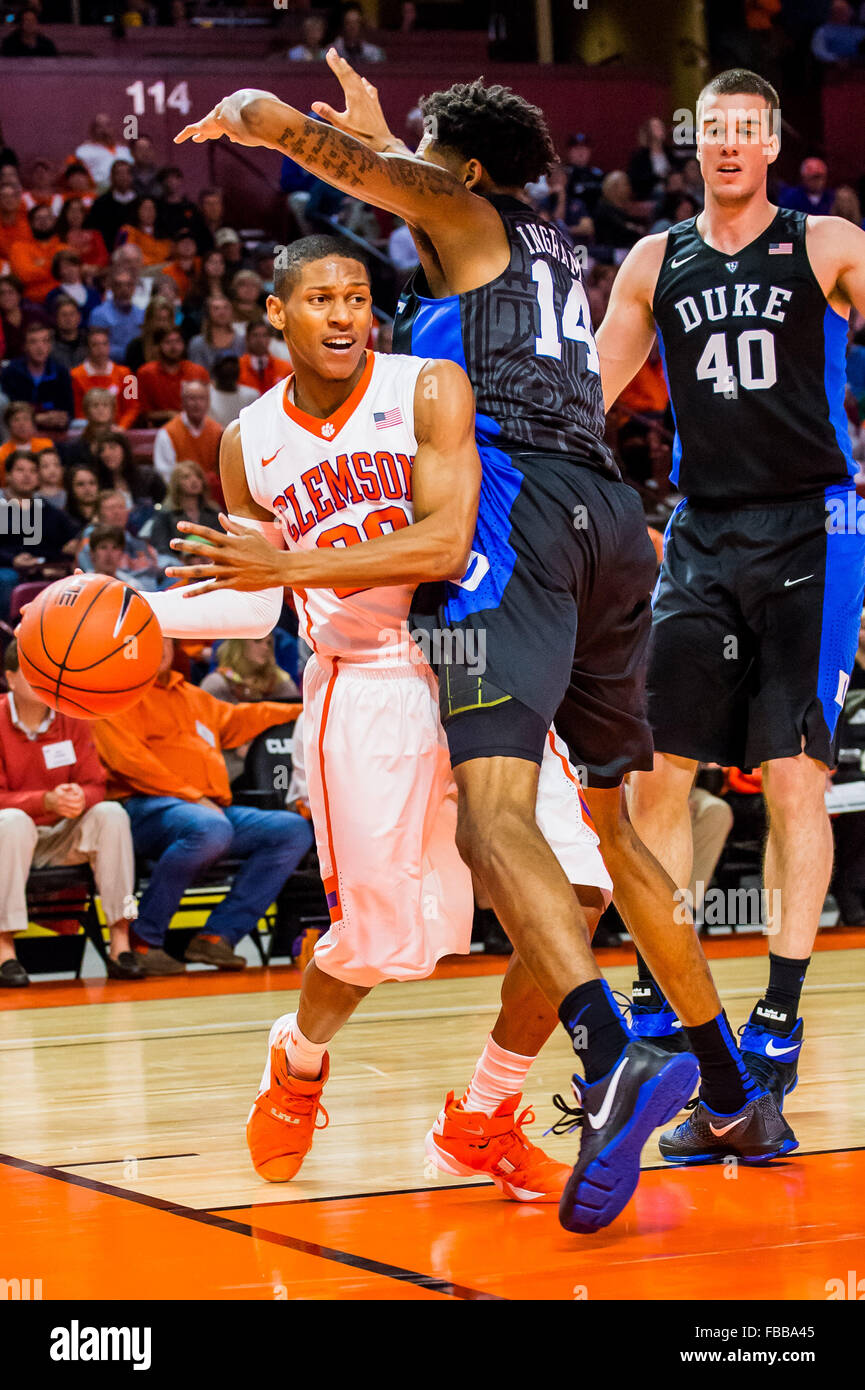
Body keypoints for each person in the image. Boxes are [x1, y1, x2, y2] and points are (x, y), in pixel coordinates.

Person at [175, 58, 792, 1232]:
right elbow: (408, 207)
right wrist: (380, 150)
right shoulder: (545, 247)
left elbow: (334, 162)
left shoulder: (456, 223)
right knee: (596, 847)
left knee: (496, 820)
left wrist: (254, 116)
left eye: (416, 155)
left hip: (506, 534)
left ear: (454, 172)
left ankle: (596, 1058)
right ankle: (728, 1093)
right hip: (613, 524)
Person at [153, 236, 614, 1202]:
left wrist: (289, 566)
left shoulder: (427, 387)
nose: (342, 316)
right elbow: (250, 604)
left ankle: (481, 1119)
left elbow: (445, 544)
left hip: (477, 656)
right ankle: (299, 1055)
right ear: (274, 314)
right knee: (378, 942)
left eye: (357, 297)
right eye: (319, 299)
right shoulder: (248, 445)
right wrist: (129, 607)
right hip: (360, 687)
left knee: (575, 894)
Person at [598, 68, 865, 1157]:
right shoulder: (654, 260)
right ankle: (671, 1013)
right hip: (703, 533)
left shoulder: (829, 244)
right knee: (661, 771)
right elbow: (585, 395)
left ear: (769, 145)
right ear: (691, 142)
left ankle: (779, 1022)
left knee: (794, 775)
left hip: (815, 527)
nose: (727, 145)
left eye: (746, 131)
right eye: (712, 130)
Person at [90, 636, 311, 976]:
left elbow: (240, 719)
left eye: (166, 641)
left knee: (291, 830)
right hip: (142, 810)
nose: (161, 647)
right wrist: (192, 795)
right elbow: (128, 762)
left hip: (208, 812)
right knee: (209, 828)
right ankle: (143, 939)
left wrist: (308, 708)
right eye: (151, 641)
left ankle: (217, 936)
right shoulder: (115, 698)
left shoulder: (190, 695)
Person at [0, 639, 142, 987]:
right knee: (13, 822)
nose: (42, 682)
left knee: (111, 814)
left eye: (45, 674)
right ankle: (4, 951)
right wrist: (44, 801)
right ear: (10, 678)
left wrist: (80, 796)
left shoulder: (72, 716)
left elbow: (96, 784)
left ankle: (121, 941)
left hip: (62, 834)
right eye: (31, 674)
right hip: (11, 835)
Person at [202, 635, 300, 784]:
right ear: (238, 645)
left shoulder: (281, 683)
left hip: (280, 762)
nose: (265, 647)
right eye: (257, 641)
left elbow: (298, 724)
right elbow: (206, 735)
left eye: (269, 643)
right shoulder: (217, 684)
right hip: (231, 765)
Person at [0, 451, 79, 616]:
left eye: (32, 471)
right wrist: (12, 559)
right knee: (7, 579)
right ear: (7, 475)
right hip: (6, 568)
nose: (27, 476)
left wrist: (71, 547)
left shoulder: (48, 510)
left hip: (41, 568)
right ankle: (9, 638)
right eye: (20, 470)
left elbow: (75, 534)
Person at [141, 458, 221, 568]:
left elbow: (222, 541)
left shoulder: (214, 511)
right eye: (186, 477)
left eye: (198, 476)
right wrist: (183, 560)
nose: (194, 480)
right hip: (178, 563)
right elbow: (161, 547)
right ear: (176, 483)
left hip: (211, 560)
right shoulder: (165, 514)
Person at [0, 321, 74, 433]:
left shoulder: (61, 372)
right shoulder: (11, 372)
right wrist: (38, 418)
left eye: (45, 341)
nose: (40, 347)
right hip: (18, 432)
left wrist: (62, 418)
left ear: (50, 345)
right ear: (25, 346)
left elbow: (68, 410)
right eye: (33, 342)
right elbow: (10, 411)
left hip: (55, 431)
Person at [130, 325, 210, 427]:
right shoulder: (145, 373)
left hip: (194, 425)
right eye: (168, 342)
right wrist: (169, 414)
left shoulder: (198, 371)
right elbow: (142, 412)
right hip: (158, 427)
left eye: (178, 342)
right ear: (158, 346)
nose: (174, 347)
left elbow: (207, 408)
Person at [151, 378, 222, 489]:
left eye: (201, 398)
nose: (196, 403)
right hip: (179, 494)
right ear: (182, 402)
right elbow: (165, 475)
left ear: (208, 402)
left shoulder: (218, 431)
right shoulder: (167, 433)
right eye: (191, 398)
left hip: (212, 493)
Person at [70, 325, 130, 419]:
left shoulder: (127, 374)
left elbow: (134, 406)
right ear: (87, 348)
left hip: (119, 429)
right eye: (95, 345)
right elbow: (77, 410)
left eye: (104, 344)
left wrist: (121, 427)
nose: (100, 349)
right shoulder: (74, 375)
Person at [8, 205, 65, 303]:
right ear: (30, 223)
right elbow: (24, 275)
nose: (43, 221)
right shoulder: (18, 247)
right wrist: (52, 266)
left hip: (61, 298)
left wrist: (40, 265)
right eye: (39, 218)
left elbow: (67, 274)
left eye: (47, 217)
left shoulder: (64, 248)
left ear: (54, 220)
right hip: (32, 301)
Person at [88, 267, 145, 361]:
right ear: (111, 288)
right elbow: (97, 347)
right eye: (119, 285)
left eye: (129, 285)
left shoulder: (141, 313)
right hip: (111, 366)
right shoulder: (100, 314)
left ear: (134, 288)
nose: (124, 289)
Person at [86, 161, 138, 252]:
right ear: (112, 177)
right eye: (119, 173)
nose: (123, 177)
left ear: (132, 176)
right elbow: (95, 233)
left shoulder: (141, 202)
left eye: (127, 173)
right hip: (109, 253)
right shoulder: (100, 203)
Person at [186, 294, 245, 371]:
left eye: (226, 308)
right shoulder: (197, 343)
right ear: (208, 313)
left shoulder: (241, 341)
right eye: (216, 308)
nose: (222, 312)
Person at [74, 116, 134, 191]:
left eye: (108, 125)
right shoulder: (84, 151)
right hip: (97, 193)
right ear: (93, 130)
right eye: (100, 127)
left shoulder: (125, 151)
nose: (105, 130)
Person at [43, 251, 101, 324]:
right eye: (65, 267)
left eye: (74, 265)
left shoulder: (93, 293)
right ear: (58, 271)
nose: (71, 270)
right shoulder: (53, 295)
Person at [0, 401, 52, 482]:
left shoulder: (46, 445)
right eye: (16, 420)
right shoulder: (2, 453)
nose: (22, 424)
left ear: (33, 423)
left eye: (26, 419)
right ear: (8, 425)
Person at [238, 318, 291, 393]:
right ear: (247, 338)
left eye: (264, 335)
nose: (260, 340)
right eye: (255, 335)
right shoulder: (238, 367)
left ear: (269, 339)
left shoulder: (284, 368)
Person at [207, 353, 258, 427]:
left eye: (233, 366)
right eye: (225, 366)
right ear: (216, 370)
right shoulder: (206, 395)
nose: (230, 369)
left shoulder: (251, 396)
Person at [50, 297, 87, 371]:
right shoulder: (49, 345)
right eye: (64, 315)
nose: (68, 318)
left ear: (79, 317)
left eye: (72, 314)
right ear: (56, 318)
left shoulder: (89, 342)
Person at [34, 444, 67, 509]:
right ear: (37, 471)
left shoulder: (68, 496)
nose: (52, 470)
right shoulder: (33, 498)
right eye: (45, 466)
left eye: (56, 464)